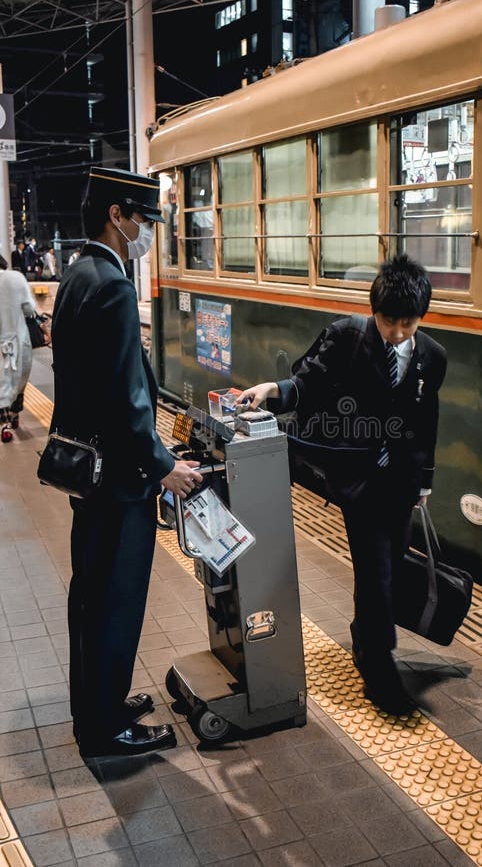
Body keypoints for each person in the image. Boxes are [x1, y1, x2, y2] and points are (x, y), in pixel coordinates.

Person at [237, 254, 447, 714]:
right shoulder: (348, 336)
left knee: (390, 560)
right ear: (374, 311)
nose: (396, 333)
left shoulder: (433, 357)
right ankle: (379, 663)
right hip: (357, 477)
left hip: (402, 479)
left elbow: (427, 419)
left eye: (407, 324)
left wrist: (424, 480)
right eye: (388, 321)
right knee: (376, 568)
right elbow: (308, 381)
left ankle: (364, 636)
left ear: (421, 318)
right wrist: (270, 391)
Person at [50, 166, 202, 758]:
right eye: (143, 219)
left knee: (89, 596)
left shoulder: (78, 275)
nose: (148, 232)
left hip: (87, 473)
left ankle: (95, 704)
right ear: (117, 215)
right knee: (115, 601)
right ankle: (105, 729)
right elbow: (125, 401)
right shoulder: (112, 285)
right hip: (118, 481)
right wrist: (165, 466)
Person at [0, 254, 36, 439]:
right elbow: (30, 308)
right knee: (17, 384)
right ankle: (13, 416)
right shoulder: (15, 278)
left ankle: (4, 427)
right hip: (17, 343)